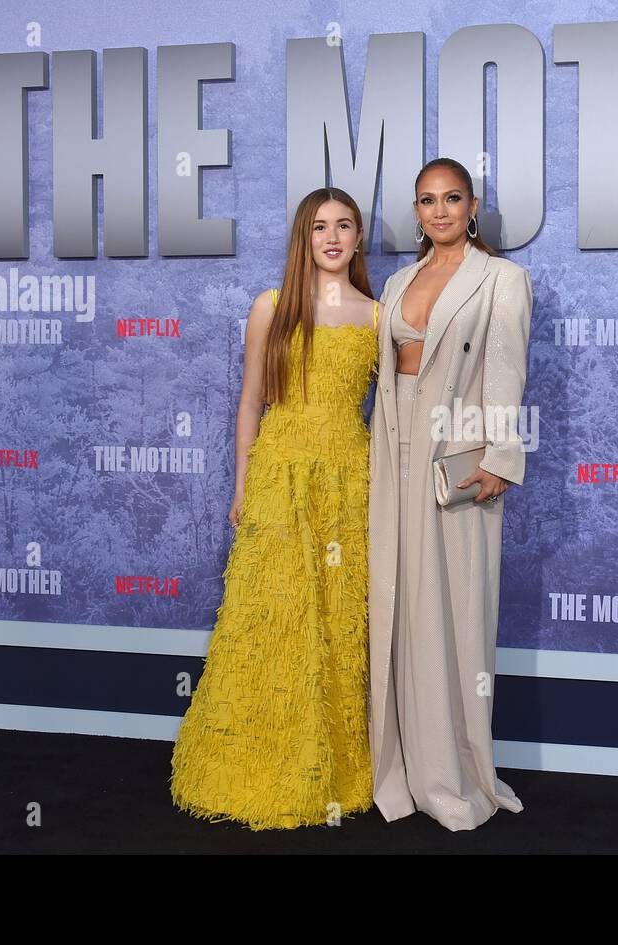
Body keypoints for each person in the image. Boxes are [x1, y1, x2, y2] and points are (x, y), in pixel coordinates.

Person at [170, 187, 380, 829]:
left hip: (348, 480)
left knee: (339, 619)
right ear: (303, 237)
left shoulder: (378, 314)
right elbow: (249, 402)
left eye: (344, 226)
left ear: (358, 236)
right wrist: (240, 486)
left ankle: (338, 769)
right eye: (319, 227)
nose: (332, 238)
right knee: (273, 616)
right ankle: (252, 762)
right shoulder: (271, 307)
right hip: (279, 475)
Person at [368, 157, 535, 831]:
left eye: (452, 198)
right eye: (427, 200)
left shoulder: (502, 279)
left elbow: (505, 369)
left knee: (455, 605)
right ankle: (401, 770)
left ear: (473, 206)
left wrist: (499, 455)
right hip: (391, 442)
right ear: (417, 210)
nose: (439, 210)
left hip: (455, 450)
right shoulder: (399, 279)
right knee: (396, 600)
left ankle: (457, 775)